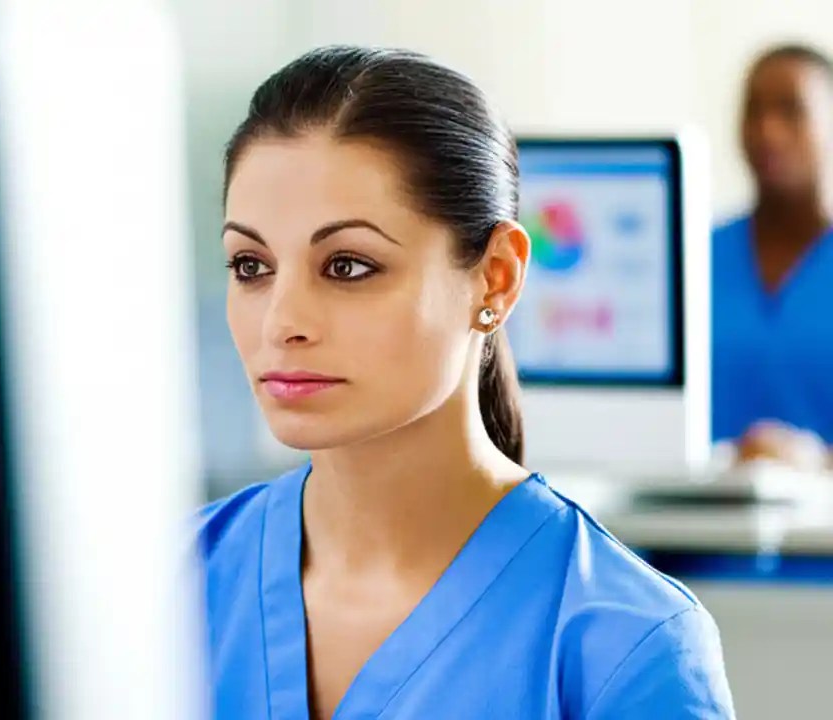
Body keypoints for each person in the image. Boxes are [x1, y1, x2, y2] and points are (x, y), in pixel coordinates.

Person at [196, 46, 735, 719]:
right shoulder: (170, 589)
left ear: (496, 277)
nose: (282, 322)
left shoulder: (625, 645)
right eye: (251, 266)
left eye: (348, 266)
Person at [714, 44, 833, 470]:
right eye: (753, 111)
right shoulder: (697, 260)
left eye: (790, 110)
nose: (767, 130)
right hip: (686, 527)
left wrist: (819, 462)